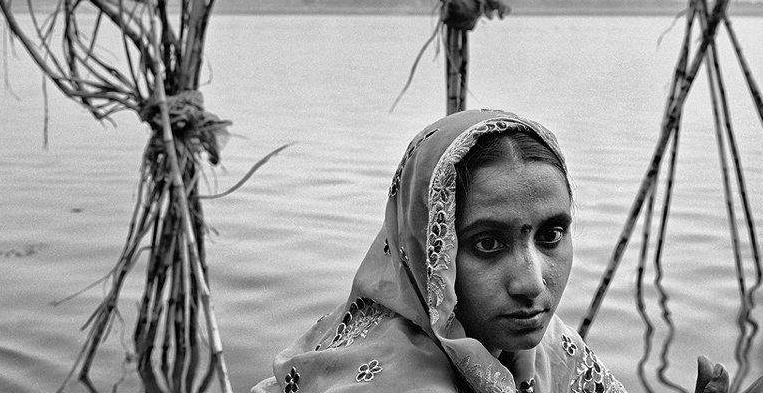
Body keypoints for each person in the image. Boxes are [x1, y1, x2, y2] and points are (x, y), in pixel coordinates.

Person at [252, 109, 729, 393]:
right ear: (428, 255)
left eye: (551, 236)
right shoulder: (393, 381)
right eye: (487, 243)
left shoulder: (545, 349)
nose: (531, 282)